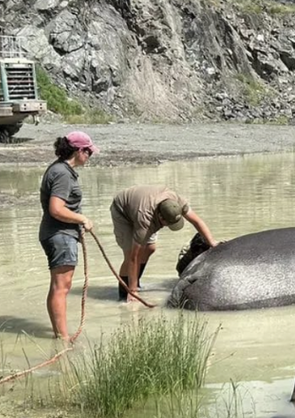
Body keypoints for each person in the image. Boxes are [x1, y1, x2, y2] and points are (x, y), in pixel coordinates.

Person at [110, 186, 218, 302]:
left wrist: (212, 242)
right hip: (122, 210)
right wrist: (133, 292)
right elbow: (133, 258)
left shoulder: (177, 202)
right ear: (160, 217)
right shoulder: (145, 220)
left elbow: (197, 221)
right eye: (168, 224)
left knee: (150, 248)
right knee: (129, 254)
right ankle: (125, 294)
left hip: (143, 204)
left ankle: (136, 283)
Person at [38, 131, 97, 341]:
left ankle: (58, 333)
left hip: (58, 234)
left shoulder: (60, 168)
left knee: (58, 286)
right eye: (89, 151)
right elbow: (56, 208)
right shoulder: (63, 173)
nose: (90, 155)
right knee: (61, 288)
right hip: (59, 235)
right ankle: (62, 338)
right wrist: (81, 219)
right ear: (79, 151)